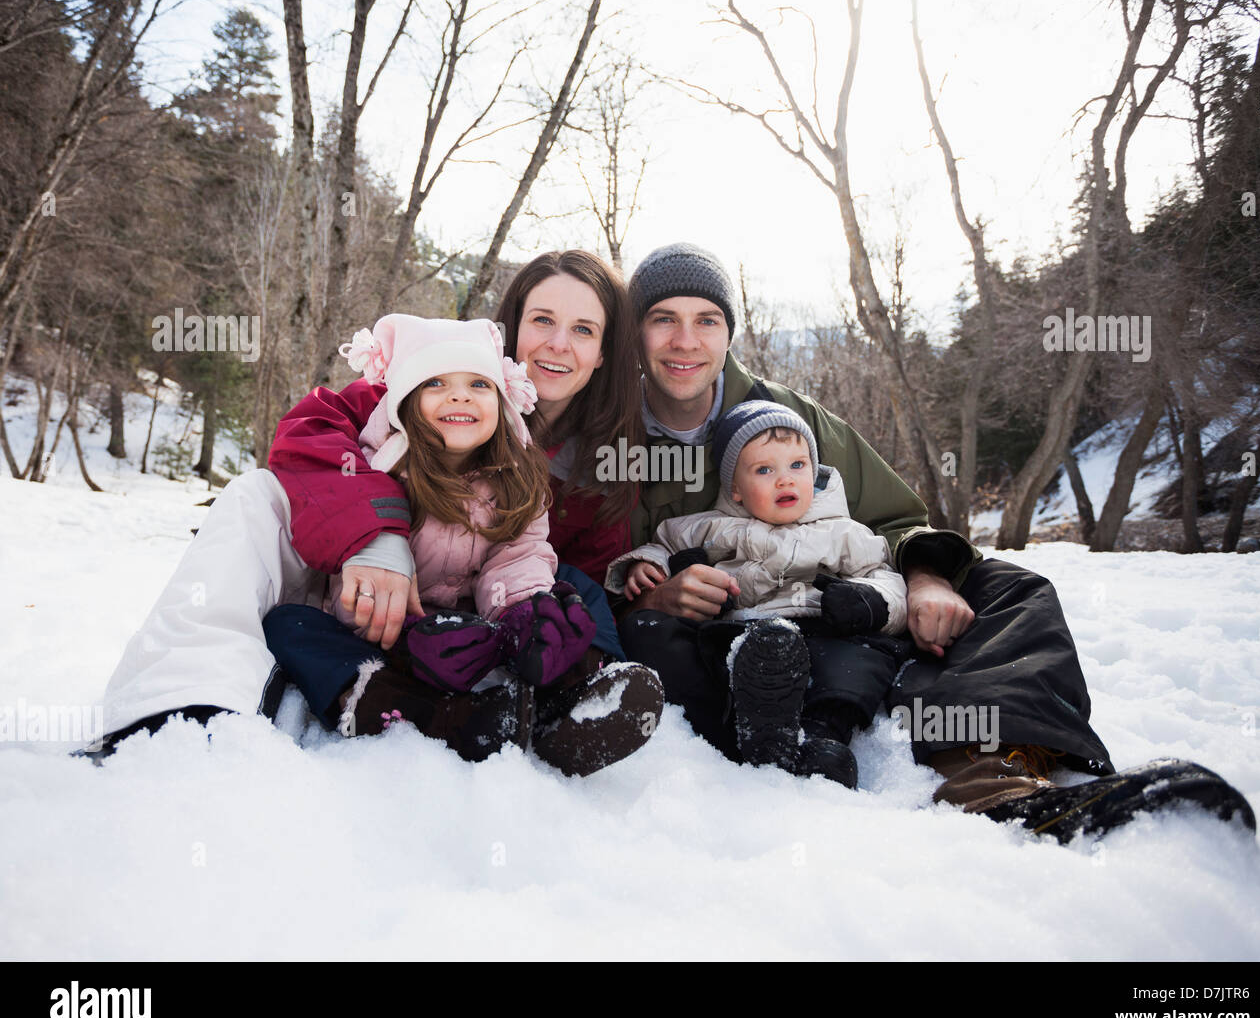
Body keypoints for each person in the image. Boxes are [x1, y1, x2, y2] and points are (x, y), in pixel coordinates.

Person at [615, 242, 1256, 841]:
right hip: (722, 636)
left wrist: (924, 580)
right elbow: (590, 568)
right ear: (635, 333)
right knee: (656, 642)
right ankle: (772, 728)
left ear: (729, 331)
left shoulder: (790, 419)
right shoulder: (610, 434)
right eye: (663, 319)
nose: (685, 341)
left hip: (848, 618)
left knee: (1009, 588)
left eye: (707, 320)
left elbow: (895, 519)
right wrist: (656, 597)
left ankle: (987, 771)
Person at [94, 251, 661, 767]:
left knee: (568, 588)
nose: (558, 343)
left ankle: (585, 697)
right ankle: (183, 700)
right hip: (386, 606)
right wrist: (378, 535)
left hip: (498, 613)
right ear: (509, 331)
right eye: (542, 321)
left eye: (583, 329)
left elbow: (568, 568)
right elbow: (307, 435)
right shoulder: (414, 393)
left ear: (604, 351)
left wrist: (536, 615)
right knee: (253, 498)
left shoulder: (601, 460)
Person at [261, 315, 659, 775]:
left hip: (477, 618)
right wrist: (409, 637)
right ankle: (405, 706)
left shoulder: (517, 477)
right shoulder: (380, 473)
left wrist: (521, 614)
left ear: (503, 402)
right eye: (435, 383)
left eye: (478, 384)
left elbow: (520, 555)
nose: (460, 395)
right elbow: (353, 588)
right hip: (389, 632)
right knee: (292, 625)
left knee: (570, 585)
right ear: (405, 402)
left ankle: (581, 684)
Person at [605, 400, 910, 788]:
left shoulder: (842, 532)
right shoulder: (710, 527)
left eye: (798, 466)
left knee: (862, 659)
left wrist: (870, 602)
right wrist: (645, 567)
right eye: (765, 470)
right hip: (737, 639)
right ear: (735, 487)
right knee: (648, 628)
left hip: (822, 630)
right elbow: (662, 543)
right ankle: (738, 727)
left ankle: (820, 736)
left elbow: (888, 579)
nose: (785, 480)